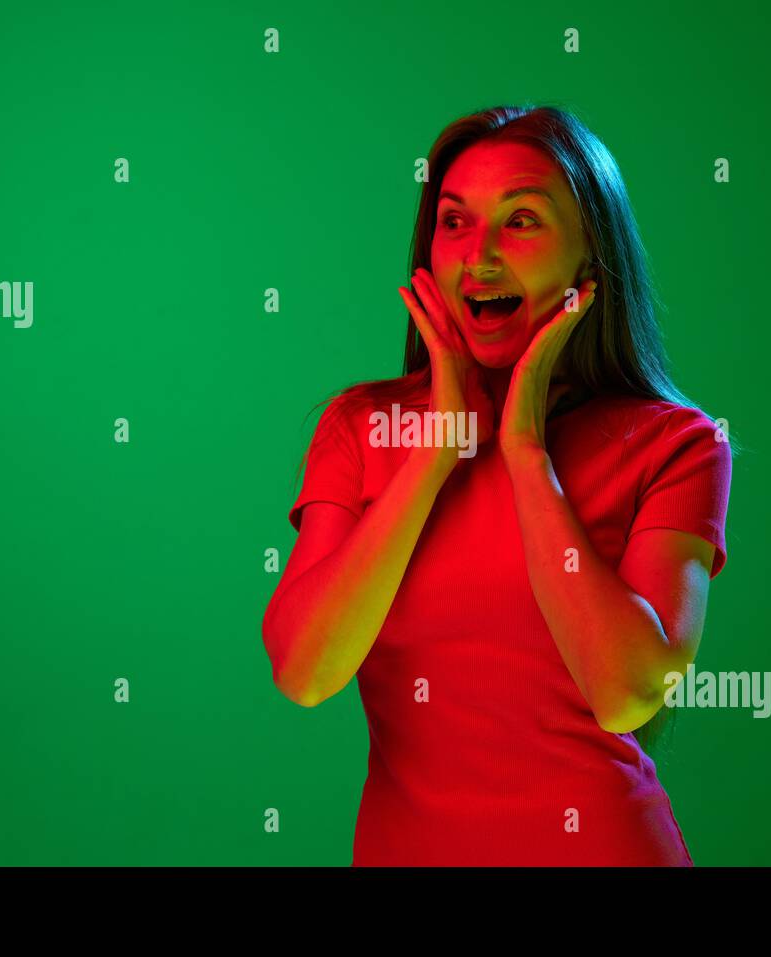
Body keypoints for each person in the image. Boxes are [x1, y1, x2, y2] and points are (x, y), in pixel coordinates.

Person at [262, 105, 735, 866]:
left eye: (521, 221)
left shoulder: (676, 446)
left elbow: (625, 692)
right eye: (455, 222)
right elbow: (305, 669)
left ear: (592, 260)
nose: (478, 256)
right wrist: (436, 455)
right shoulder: (362, 426)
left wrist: (524, 454)